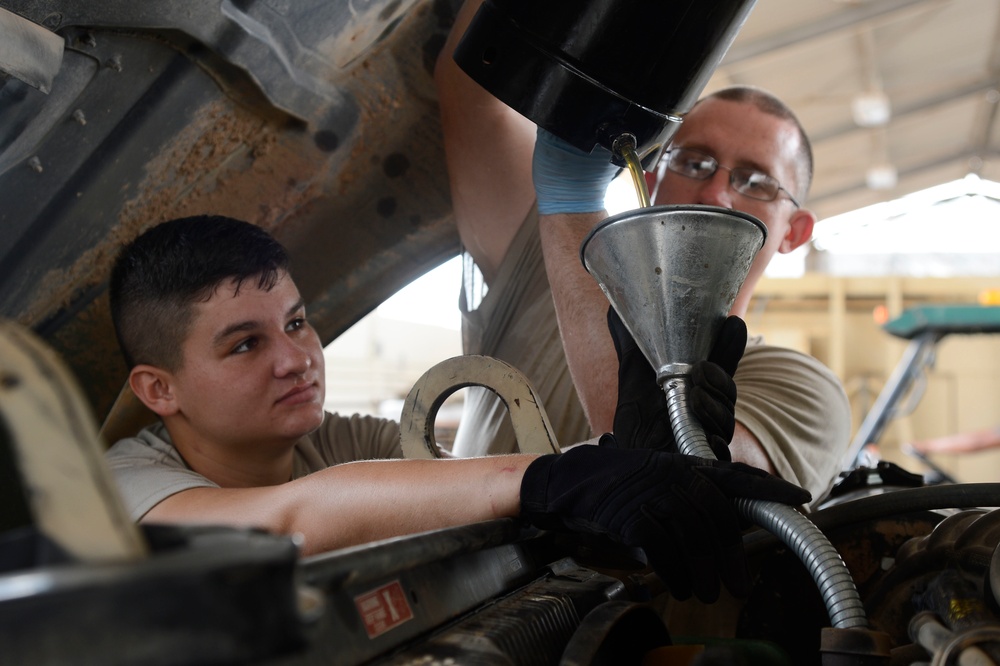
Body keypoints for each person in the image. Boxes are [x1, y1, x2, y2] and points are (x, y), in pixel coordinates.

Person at [102, 215, 809, 603]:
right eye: (243, 345)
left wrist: (626, 459)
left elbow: (474, 494)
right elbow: (287, 521)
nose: (294, 358)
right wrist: (550, 480)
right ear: (158, 389)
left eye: (295, 322)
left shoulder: (349, 444)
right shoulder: (118, 487)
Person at [435, 0, 852, 507]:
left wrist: (573, 200)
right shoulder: (553, 269)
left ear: (795, 231)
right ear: (650, 177)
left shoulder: (800, 390)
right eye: (695, 162)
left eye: (755, 181)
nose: (716, 194)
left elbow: (663, 469)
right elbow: (475, 83)